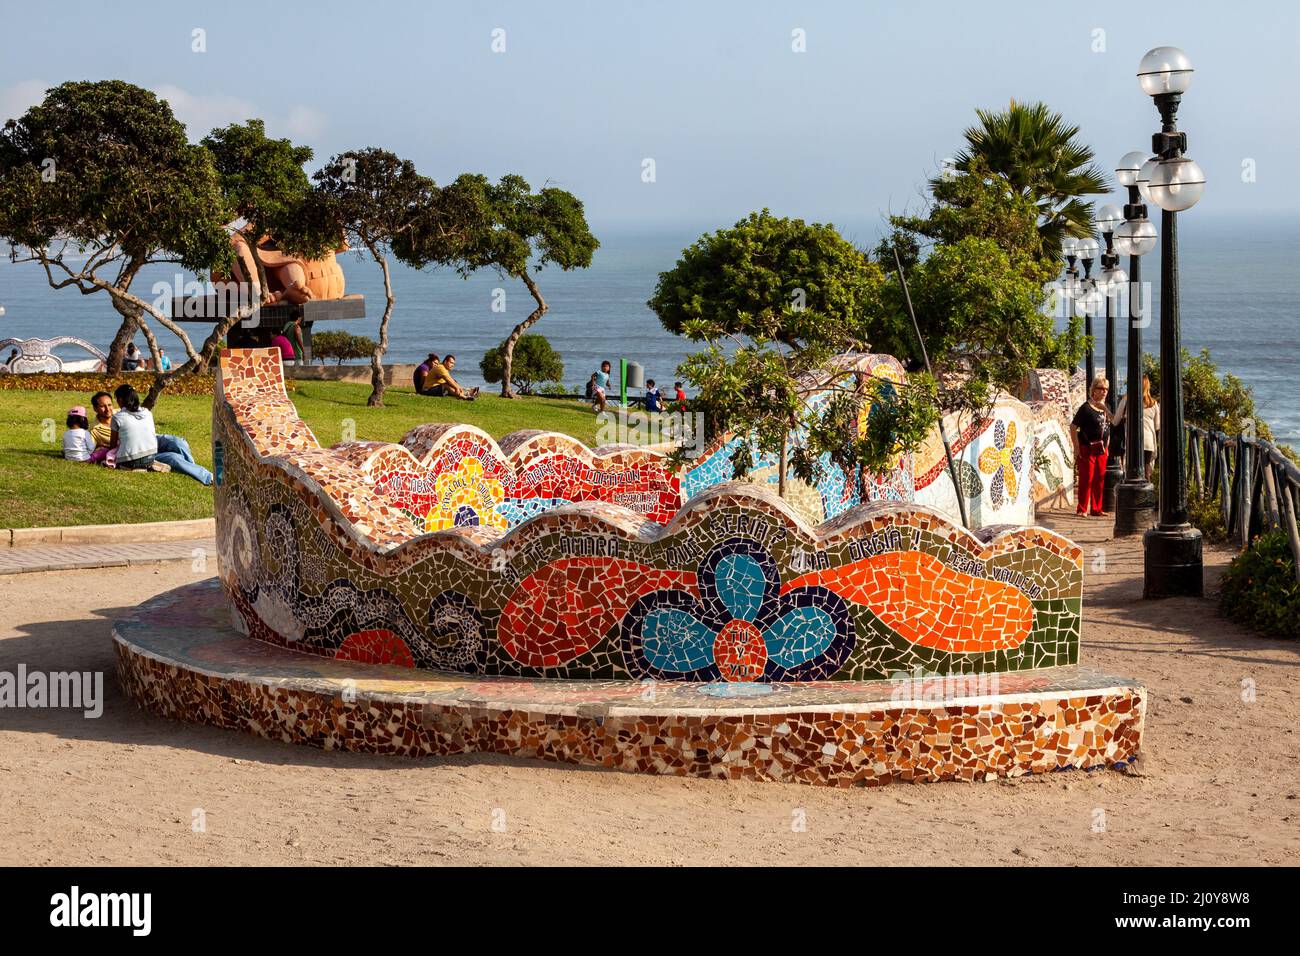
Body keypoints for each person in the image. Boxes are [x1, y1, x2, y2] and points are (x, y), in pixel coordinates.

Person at [1071, 375, 1112, 517]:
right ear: (1093, 390)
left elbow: (1109, 425)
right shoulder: (1086, 408)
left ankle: (1096, 508)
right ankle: (1082, 509)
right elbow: (1073, 426)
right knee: (1086, 478)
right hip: (1087, 447)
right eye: (1101, 388)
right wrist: (1076, 447)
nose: (1104, 391)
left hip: (1101, 449)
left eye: (1106, 389)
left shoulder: (1106, 408)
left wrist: (1108, 445)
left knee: (1099, 479)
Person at [109, 384, 166, 472]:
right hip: (151, 456)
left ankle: (134, 468)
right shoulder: (147, 412)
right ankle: (148, 465)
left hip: (129, 461)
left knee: (111, 454)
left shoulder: (117, 417)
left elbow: (112, 445)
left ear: (120, 400)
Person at [1114, 374, 1160, 481]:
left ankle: (1131, 496)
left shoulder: (1126, 400)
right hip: (1148, 442)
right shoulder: (1154, 404)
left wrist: (1106, 411)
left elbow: (1115, 421)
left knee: (1131, 472)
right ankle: (1148, 495)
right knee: (1146, 470)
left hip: (1132, 441)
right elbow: (1157, 426)